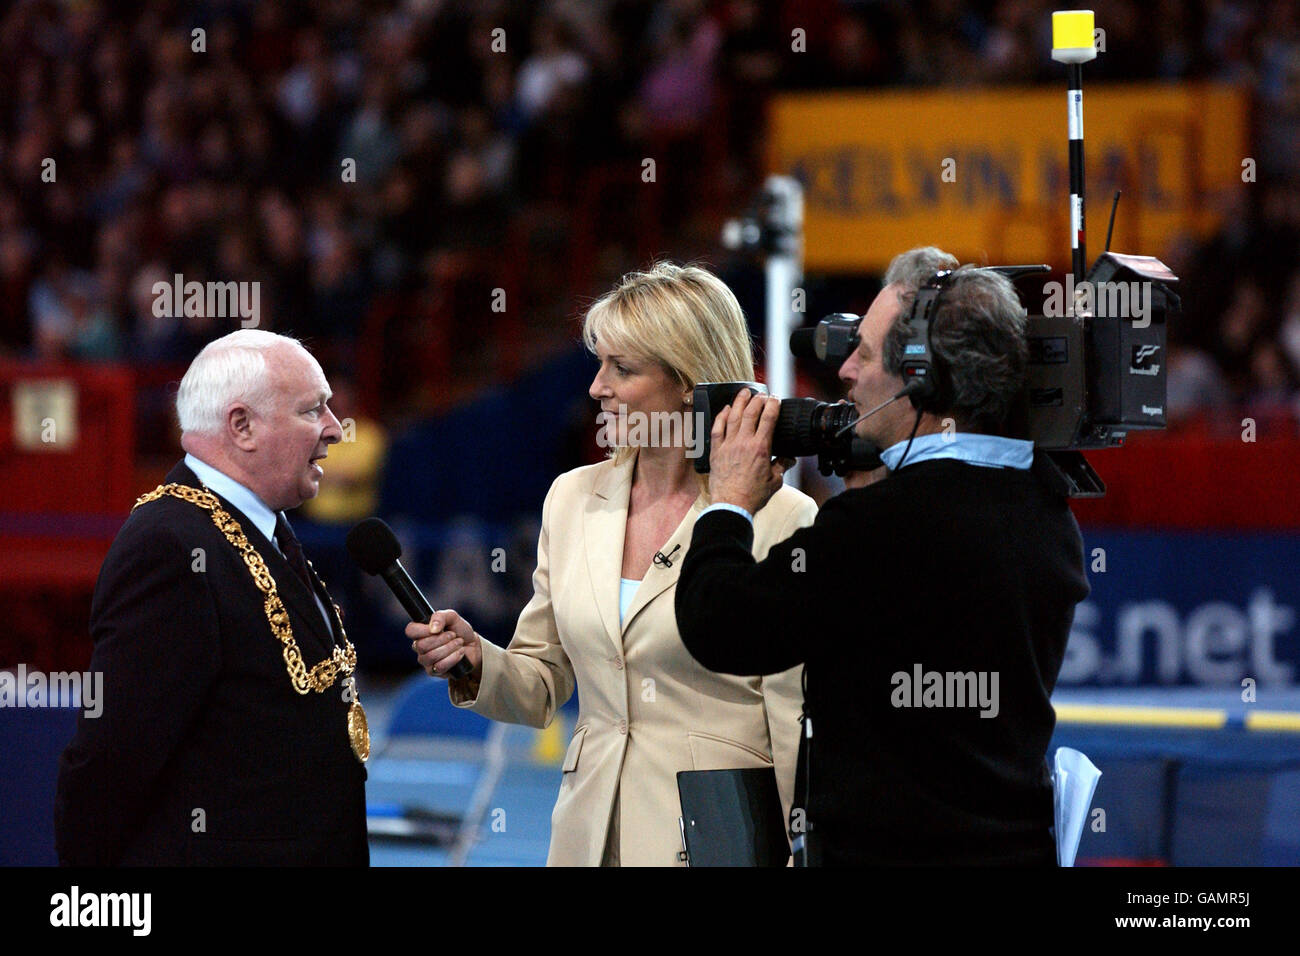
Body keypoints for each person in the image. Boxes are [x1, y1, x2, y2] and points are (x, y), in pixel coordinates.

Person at [674, 247, 1091, 866]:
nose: (845, 370)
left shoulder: (878, 529)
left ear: (922, 380)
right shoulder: (1047, 508)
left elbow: (718, 623)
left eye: (863, 353)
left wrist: (729, 502)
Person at [407, 262, 818, 866]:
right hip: (587, 838)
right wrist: (478, 662)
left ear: (689, 382)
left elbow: (792, 719)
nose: (597, 387)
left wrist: (800, 854)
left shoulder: (785, 518)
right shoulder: (571, 497)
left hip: (720, 841)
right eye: (599, 363)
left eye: (622, 369)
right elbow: (543, 682)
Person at [54, 329, 369, 866]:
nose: (336, 430)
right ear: (242, 426)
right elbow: (111, 762)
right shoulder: (170, 546)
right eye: (313, 410)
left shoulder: (261, 527)